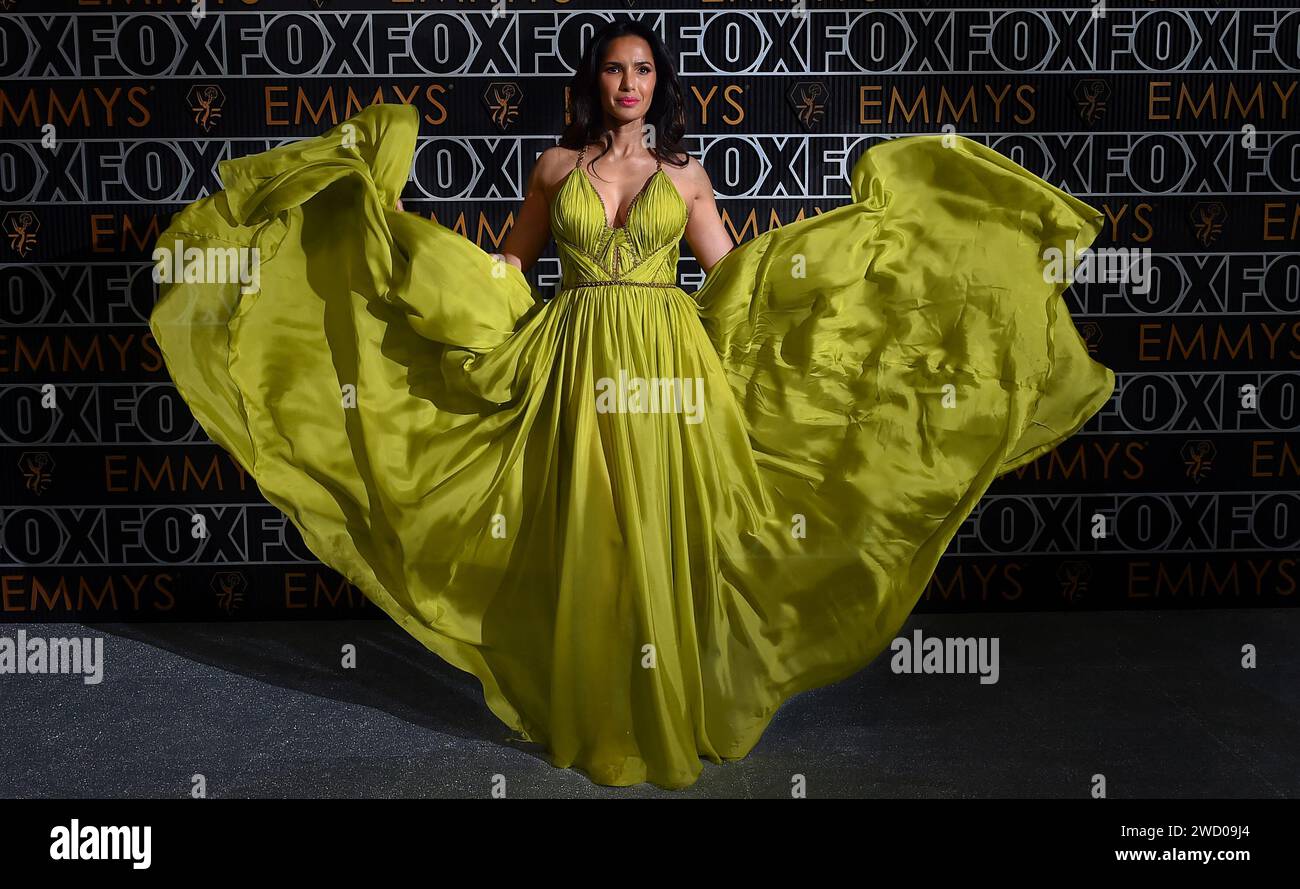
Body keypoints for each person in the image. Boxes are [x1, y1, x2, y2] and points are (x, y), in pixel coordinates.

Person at [150, 21, 1115, 790]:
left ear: (661, 84)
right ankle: (601, 710)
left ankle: (669, 713)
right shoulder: (554, 170)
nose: (627, 84)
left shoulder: (685, 176)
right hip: (572, 360)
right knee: (591, 529)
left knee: (662, 525)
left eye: (643, 70)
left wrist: (831, 268)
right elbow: (511, 270)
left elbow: (732, 275)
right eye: (613, 70)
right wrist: (409, 255)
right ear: (593, 82)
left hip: (673, 366)